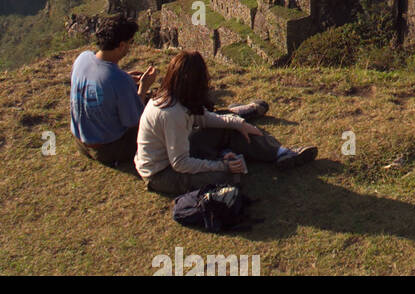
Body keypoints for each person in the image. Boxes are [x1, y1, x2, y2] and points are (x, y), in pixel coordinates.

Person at [135, 50, 316, 196]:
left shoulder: (177, 97)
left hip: (179, 150)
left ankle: (280, 153)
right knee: (228, 176)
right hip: (161, 173)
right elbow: (180, 163)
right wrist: (222, 166)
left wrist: (236, 123)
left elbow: (203, 118)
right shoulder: (172, 113)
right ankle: (225, 156)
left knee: (230, 127)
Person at [69, 15, 156, 165]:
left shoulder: (82, 58)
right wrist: (143, 87)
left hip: (80, 139)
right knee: (155, 117)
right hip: (106, 150)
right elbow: (135, 120)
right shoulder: (119, 80)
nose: (129, 47)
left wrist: (125, 78)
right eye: (130, 43)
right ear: (121, 45)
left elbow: (98, 81)